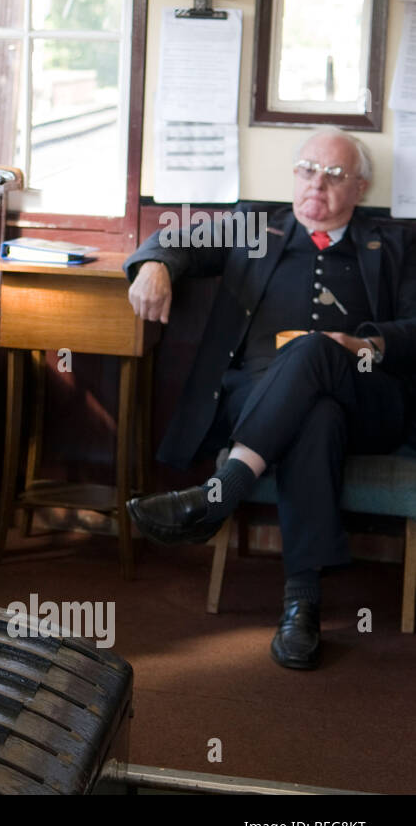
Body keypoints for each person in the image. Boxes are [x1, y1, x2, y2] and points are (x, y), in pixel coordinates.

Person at [124, 127, 416, 670]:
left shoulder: (394, 244)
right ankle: (301, 603)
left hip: (369, 396)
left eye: (334, 175)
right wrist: (155, 265)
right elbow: (177, 239)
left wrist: (368, 343)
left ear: (361, 186)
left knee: (317, 356)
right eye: (307, 169)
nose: (317, 185)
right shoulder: (258, 229)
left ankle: (221, 491)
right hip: (257, 400)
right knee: (315, 416)